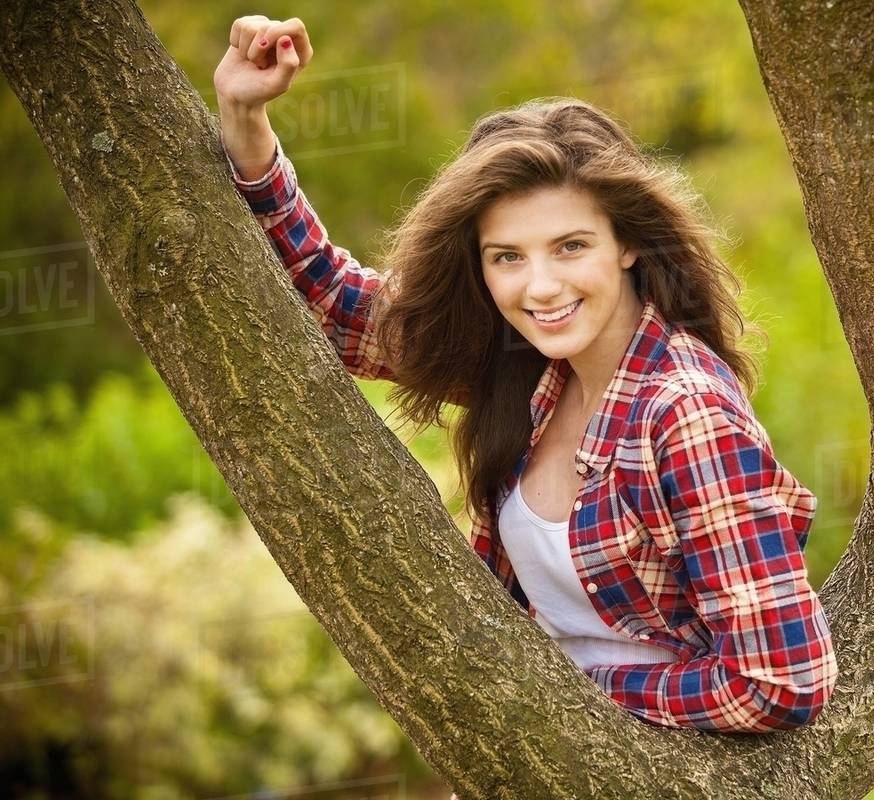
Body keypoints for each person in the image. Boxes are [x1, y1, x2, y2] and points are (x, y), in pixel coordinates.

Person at [214, 15, 838, 742]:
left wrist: (575, 693)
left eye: (570, 246)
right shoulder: (530, 369)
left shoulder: (684, 413)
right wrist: (246, 120)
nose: (539, 287)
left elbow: (780, 681)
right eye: (507, 256)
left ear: (627, 243)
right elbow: (335, 303)